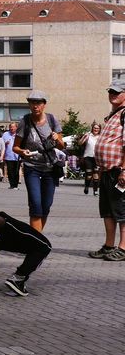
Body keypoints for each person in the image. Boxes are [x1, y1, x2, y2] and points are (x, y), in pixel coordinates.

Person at [12, 90, 64, 232]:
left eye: (38, 103)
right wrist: (23, 152)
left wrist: (56, 138)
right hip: (32, 167)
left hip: (50, 168)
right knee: (36, 205)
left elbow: (62, 146)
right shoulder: (25, 121)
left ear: (44, 105)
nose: (35, 106)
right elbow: (15, 147)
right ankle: (36, 242)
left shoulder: (52, 120)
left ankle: (37, 238)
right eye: (32, 103)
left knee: (46, 205)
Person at [88, 81, 125, 261]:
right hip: (107, 170)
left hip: (119, 170)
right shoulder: (113, 114)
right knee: (108, 211)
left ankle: (123, 248)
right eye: (110, 91)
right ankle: (109, 245)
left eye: (116, 92)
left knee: (122, 211)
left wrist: (124, 170)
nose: (112, 94)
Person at [78, 122, 101, 195]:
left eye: (97, 128)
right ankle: (87, 186)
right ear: (92, 128)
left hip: (97, 158)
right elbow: (80, 143)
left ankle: (95, 191)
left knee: (96, 174)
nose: (96, 129)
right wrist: (83, 137)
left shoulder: (101, 137)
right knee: (89, 174)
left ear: (99, 129)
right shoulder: (88, 135)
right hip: (88, 157)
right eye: (95, 128)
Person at [2, 122, 21, 189]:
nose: (11, 128)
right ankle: (12, 185)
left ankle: (15, 185)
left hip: (17, 156)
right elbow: (1, 144)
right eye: (10, 127)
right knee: (10, 171)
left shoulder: (19, 134)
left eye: (13, 127)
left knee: (16, 171)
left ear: (16, 127)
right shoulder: (5, 134)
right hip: (9, 155)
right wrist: (5, 143)